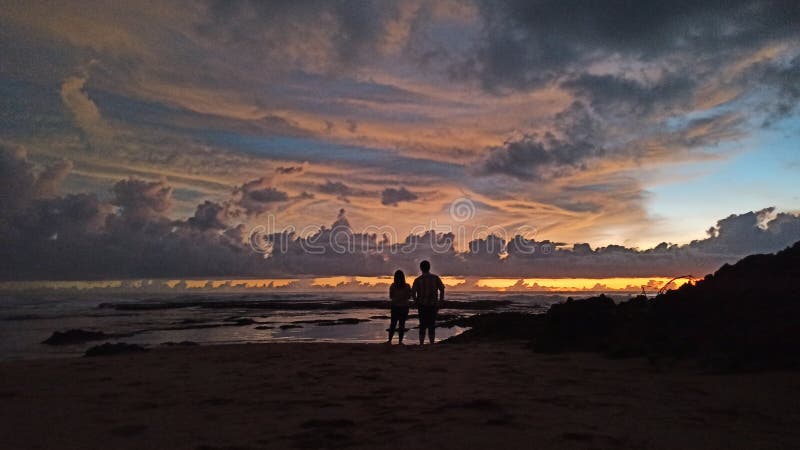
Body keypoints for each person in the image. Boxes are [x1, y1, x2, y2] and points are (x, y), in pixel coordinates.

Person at [411, 260, 445, 345]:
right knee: (431, 325)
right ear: (429, 267)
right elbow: (442, 289)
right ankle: (431, 343)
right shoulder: (435, 278)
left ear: (420, 268)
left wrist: (416, 302)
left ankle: (421, 344)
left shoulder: (417, 280)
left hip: (422, 305)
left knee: (422, 325)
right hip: (433, 305)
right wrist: (440, 301)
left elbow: (413, 292)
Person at [387, 269, 411, 344]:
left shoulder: (393, 286)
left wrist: (397, 298)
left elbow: (391, 296)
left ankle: (390, 340)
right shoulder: (407, 286)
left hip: (395, 306)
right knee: (402, 324)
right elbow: (409, 297)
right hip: (404, 306)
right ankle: (400, 341)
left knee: (393, 324)